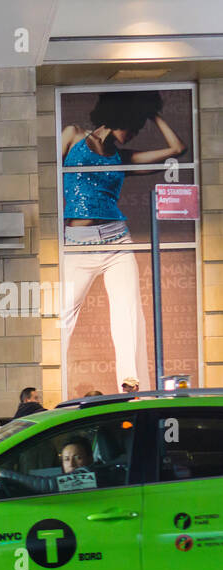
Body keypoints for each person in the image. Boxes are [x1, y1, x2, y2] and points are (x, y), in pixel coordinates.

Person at [61, 91, 186, 392]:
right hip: (77, 243)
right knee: (61, 314)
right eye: (133, 124)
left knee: (128, 311)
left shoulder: (124, 158)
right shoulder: (73, 136)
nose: (133, 133)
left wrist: (151, 110)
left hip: (117, 241)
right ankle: (53, 379)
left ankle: (131, 384)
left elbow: (177, 149)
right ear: (119, 116)